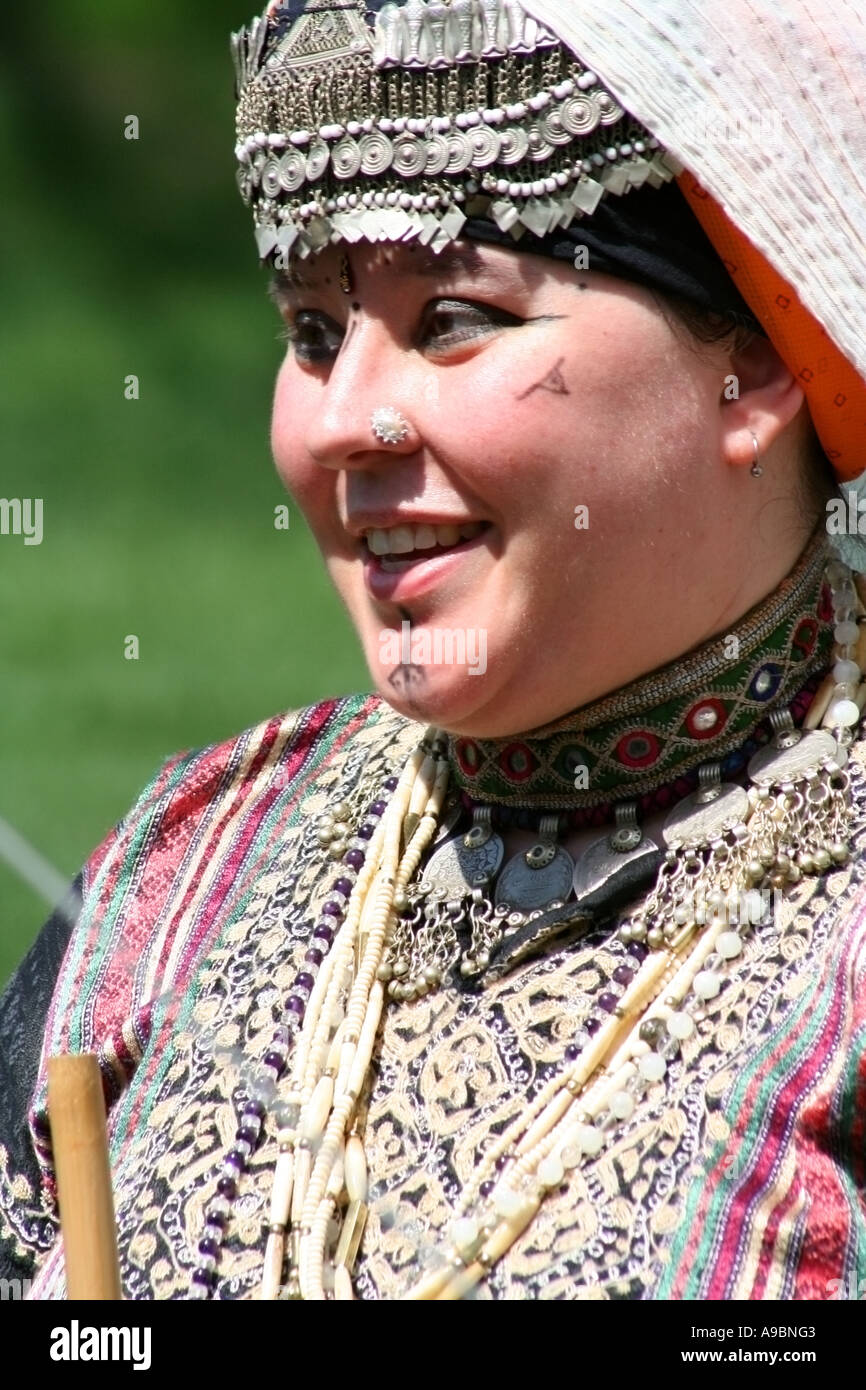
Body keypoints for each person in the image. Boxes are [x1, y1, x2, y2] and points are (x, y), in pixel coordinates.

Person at [1, 0, 865, 1301]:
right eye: (309, 334)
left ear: (753, 367)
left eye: (454, 319)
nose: (343, 418)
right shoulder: (172, 880)